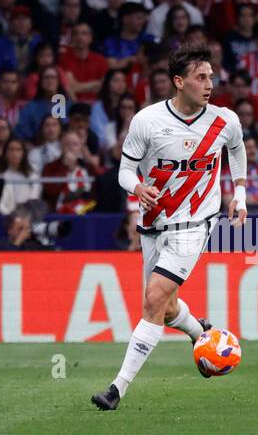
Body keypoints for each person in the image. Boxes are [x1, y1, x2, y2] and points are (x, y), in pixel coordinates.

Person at [92, 45, 247, 411]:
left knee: (152, 300)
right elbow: (125, 171)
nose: (209, 84)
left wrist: (239, 194)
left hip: (194, 225)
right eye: (200, 77)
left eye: (211, 76)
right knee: (165, 305)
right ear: (179, 82)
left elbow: (236, 150)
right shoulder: (147, 121)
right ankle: (201, 333)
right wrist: (137, 187)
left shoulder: (225, 120)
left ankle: (117, 389)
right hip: (153, 224)